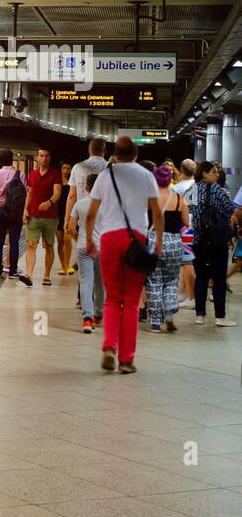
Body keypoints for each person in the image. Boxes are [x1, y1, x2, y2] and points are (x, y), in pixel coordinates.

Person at [84, 136, 163, 373]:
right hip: (135, 241)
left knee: (111, 298)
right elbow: (157, 213)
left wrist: (89, 239)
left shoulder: (106, 176)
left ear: (115, 154)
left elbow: (90, 214)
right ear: (136, 153)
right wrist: (158, 240)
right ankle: (127, 360)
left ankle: (109, 346)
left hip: (109, 239)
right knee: (130, 302)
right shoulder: (146, 175)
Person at [190, 161, 241, 326]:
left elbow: (189, 211)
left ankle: (200, 315)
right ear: (204, 173)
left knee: (201, 277)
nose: (217, 175)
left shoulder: (192, 190)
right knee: (218, 278)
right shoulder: (219, 191)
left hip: (199, 240)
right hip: (217, 241)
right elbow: (229, 210)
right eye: (214, 172)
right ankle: (220, 316)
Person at [145, 165, 187, 333]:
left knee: (154, 281)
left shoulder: (149, 198)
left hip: (154, 240)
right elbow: (186, 222)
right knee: (171, 280)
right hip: (174, 242)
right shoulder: (179, 198)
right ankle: (169, 313)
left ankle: (155, 322)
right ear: (170, 179)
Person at [66, 171, 105, 333]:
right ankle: (98, 314)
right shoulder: (108, 205)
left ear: (87, 187)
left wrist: (79, 238)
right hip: (103, 248)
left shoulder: (79, 204)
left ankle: (87, 319)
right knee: (100, 284)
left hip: (84, 247)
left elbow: (69, 228)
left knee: (85, 282)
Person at [23, 147, 62, 286]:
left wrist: (49, 202)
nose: (44, 158)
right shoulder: (32, 174)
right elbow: (30, 194)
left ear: (50, 157)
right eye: (41, 156)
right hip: (33, 216)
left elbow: (57, 192)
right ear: (37, 157)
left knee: (49, 245)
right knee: (31, 245)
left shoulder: (55, 174)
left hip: (50, 217)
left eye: (46, 156)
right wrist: (25, 210)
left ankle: (46, 275)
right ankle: (29, 275)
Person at [0, 149, 24, 280]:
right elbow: (25, 193)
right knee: (14, 242)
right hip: (16, 212)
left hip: (0, 211)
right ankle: (13, 271)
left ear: (0, 160)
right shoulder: (21, 175)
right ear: (12, 159)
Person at [174, 159, 197, 299]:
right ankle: (184, 291)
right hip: (198, 224)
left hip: (184, 225)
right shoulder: (199, 186)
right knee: (190, 260)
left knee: (187, 261)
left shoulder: (176, 188)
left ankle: (191, 297)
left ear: (181, 170)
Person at [57, 162, 74, 274]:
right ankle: (63, 266)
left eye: (68, 168)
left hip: (69, 213)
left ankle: (68, 265)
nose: (66, 170)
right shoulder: (56, 182)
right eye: (64, 168)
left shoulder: (73, 182)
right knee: (60, 241)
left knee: (67, 240)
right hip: (57, 213)